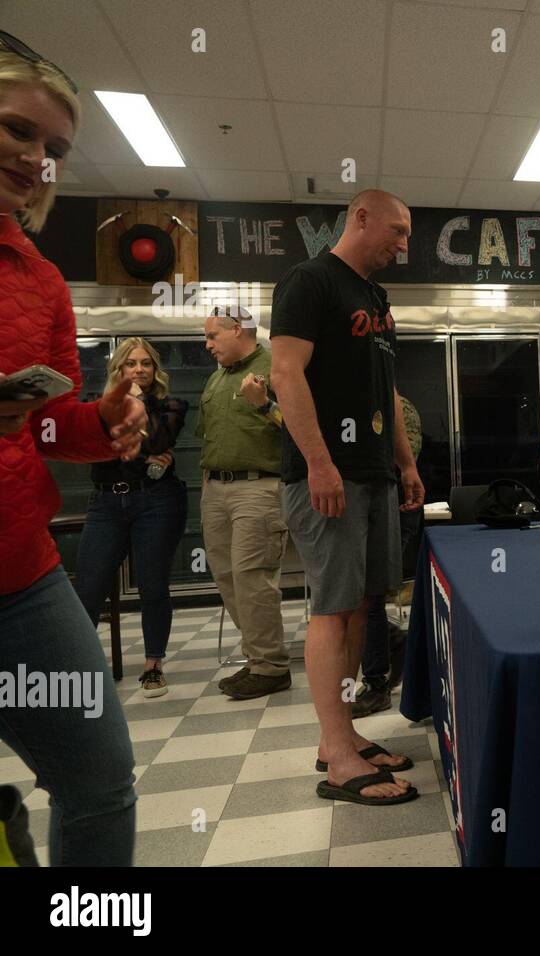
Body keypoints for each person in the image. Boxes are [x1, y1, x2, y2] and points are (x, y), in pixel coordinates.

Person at [0, 35, 144, 865]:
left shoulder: (41, 279)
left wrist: (102, 423)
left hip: (20, 577)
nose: (35, 158)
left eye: (53, 149)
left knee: (100, 778)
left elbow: (44, 427)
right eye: (17, 131)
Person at [271, 188, 423, 805]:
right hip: (327, 475)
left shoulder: (376, 298)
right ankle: (337, 756)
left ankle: (344, 733)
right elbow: (285, 374)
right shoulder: (309, 282)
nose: (404, 246)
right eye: (398, 231)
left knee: (365, 602)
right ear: (360, 217)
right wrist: (319, 463)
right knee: (332, 607)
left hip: (373, 473)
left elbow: (384, 385)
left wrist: (405, 463)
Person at [74, 338, 189, 698]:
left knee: (153, 585)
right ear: (118, 369)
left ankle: (153, 667)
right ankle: (77, 670)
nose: (139, 369)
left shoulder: (171, 405)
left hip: (156, 501)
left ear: (155, 370)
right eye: (130, 364)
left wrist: (138, 406)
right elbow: (94, 451)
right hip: (107, 504)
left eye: (146, 364)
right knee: (89, 589)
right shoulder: (97, 408)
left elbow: (155, 441)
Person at [197, 305, 292, 700]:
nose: (207, 346)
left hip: (259, 487)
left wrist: (263, 404)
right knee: (227, 577)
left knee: (252, 577)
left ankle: (271, 667)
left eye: (212, 336)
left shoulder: (278, 366)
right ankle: (257, 659)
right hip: (215, 487)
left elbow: (301, 426)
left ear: (237, 329)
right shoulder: (218, 378)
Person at [352, 393, 423, 718]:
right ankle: (393, 641)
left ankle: (376, 683)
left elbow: (404, 455)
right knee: (364, 595)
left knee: (371, 594)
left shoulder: (394, 404)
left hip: (391, 501)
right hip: (366, 502)